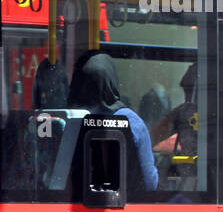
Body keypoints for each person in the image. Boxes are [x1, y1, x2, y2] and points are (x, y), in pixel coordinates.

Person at [68, 50, 158, 191]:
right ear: (112, 80)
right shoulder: (131, 120)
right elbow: (150, 181)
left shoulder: (68, 119)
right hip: (126, 207)